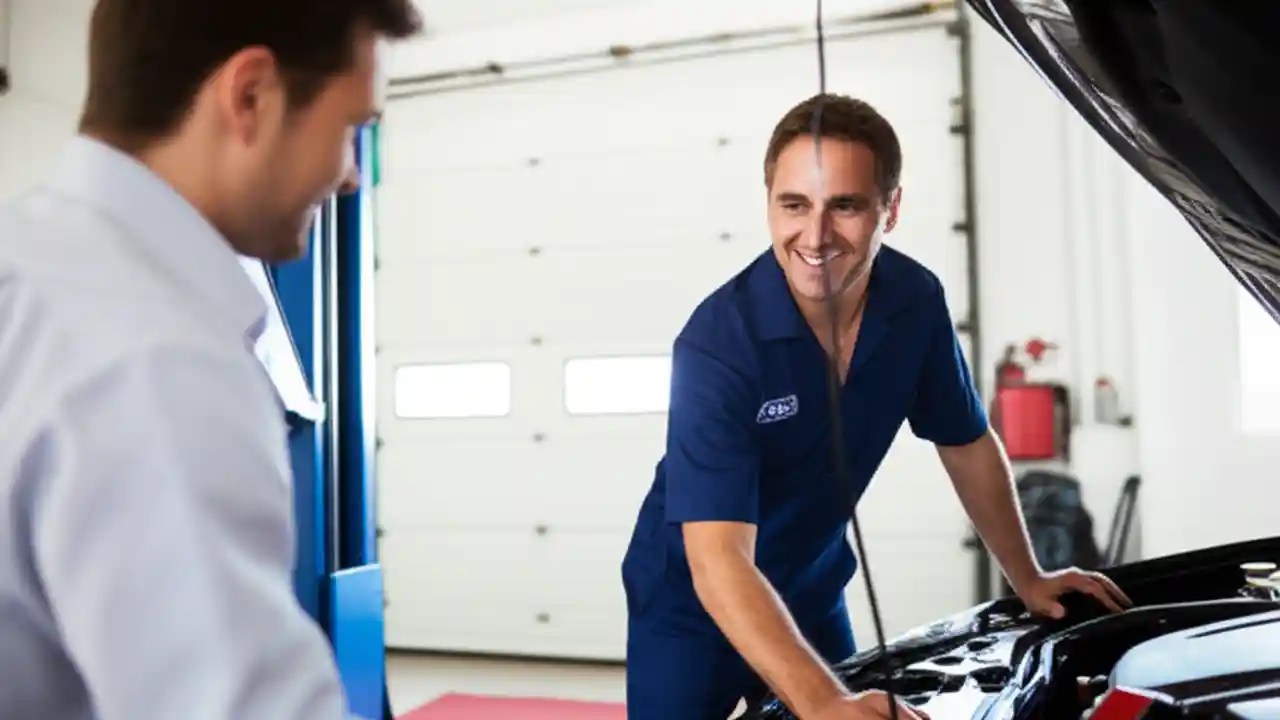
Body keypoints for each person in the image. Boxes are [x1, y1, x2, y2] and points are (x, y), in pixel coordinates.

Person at [620, 93, 1133, 720]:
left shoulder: (913, 301)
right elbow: (718, 558)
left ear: (890, 209)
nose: (815, 235)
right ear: (769, 206)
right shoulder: (719, 344)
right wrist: (826, 701)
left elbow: (966, 441)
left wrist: (1027, 576)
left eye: (845, 205)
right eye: (794, 205)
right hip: (691, 608)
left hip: (810, 588)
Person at [0, 2, 420, 719]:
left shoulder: (25, 265)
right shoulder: (157, 355)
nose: (351, 175)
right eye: (351, 127)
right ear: (250, 95)